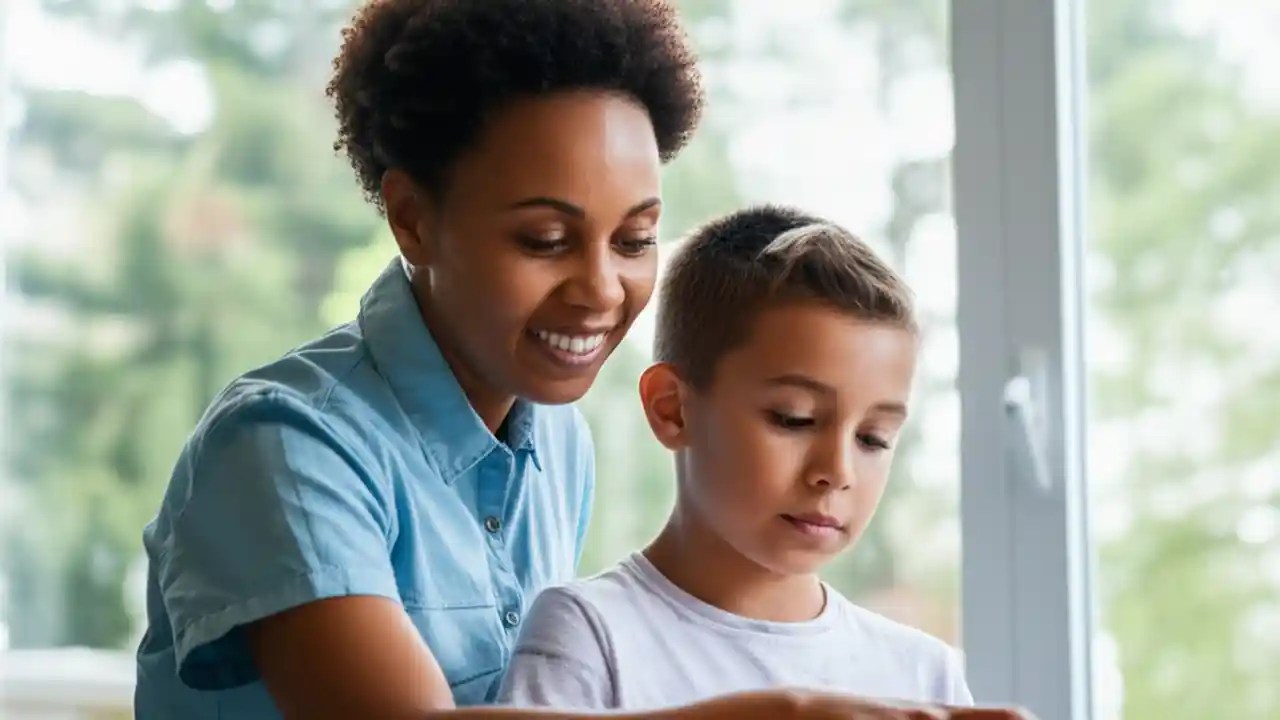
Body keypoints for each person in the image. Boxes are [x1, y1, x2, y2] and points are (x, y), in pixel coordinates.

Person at [132, 0, 1029, 717]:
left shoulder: (554, 440)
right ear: (412, 218)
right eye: (547, 238)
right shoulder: (283, 448)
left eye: (635, 238)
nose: (602, 289)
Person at [499, 206, 987, 712]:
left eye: (873, 438)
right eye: (794, 419)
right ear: (673, 410)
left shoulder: (924, 675)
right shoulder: (590, 635)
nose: (837, 472)